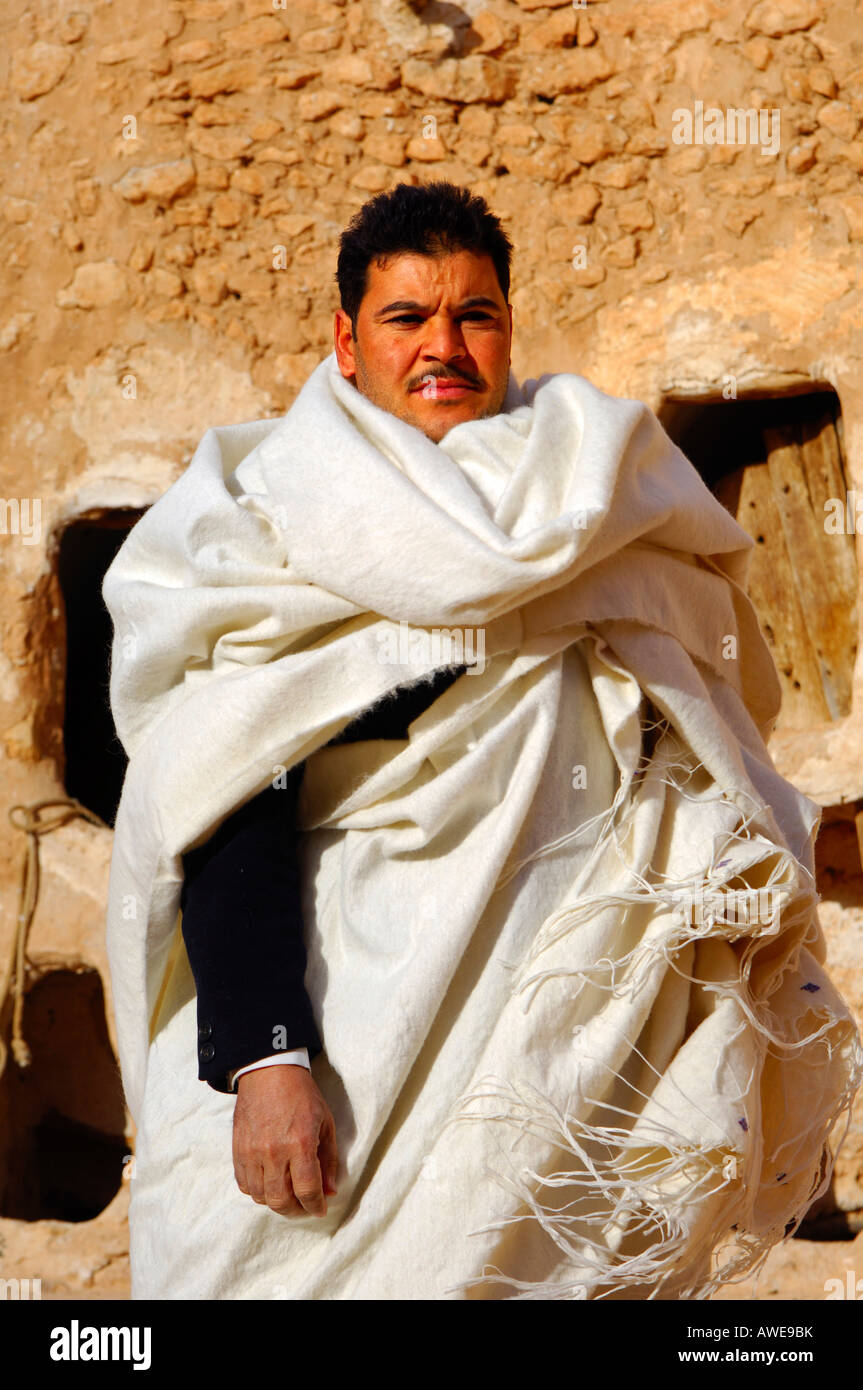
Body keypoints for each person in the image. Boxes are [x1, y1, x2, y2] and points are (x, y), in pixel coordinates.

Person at [103, 181, 861, 1300]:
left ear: (509, 325)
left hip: (556, 1050)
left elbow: (695, 731)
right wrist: (266, 1056)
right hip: (338, 1033)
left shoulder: (598, 490)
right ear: (344, 338)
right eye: (406, 318)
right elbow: (225, 791)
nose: (442, 347)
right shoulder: (265, 520)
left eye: (475, 315)